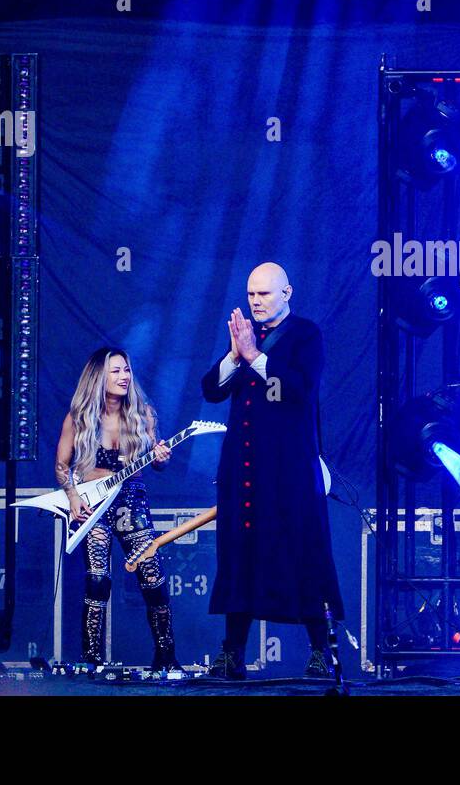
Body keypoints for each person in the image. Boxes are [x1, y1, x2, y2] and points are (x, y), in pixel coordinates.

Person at [201, 261, 343, 679]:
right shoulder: (243, 338)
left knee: (303, 552)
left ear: (287, 292)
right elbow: (211, 390)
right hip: (243, 469)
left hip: (289, 471)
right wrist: (234, 355)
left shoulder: (305, 335)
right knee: (238, 554)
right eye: (251, 294)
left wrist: (256, 357)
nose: (256, 301)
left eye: (264, 294)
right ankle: (233, 652)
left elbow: (296, 390)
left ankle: (322, 651)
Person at [54, 347, 177, 669]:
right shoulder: (79, 418)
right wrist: (71, 495)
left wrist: (162, 456)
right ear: (99, 377)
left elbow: (158, 461)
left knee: (153, 578)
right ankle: (91, 657)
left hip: (131, 502)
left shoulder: (143, 414)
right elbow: (62, 464)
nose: (124, 377)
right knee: (98, 578)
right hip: (93, 504)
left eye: (127, 370)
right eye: (116, 371)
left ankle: (166, 656)